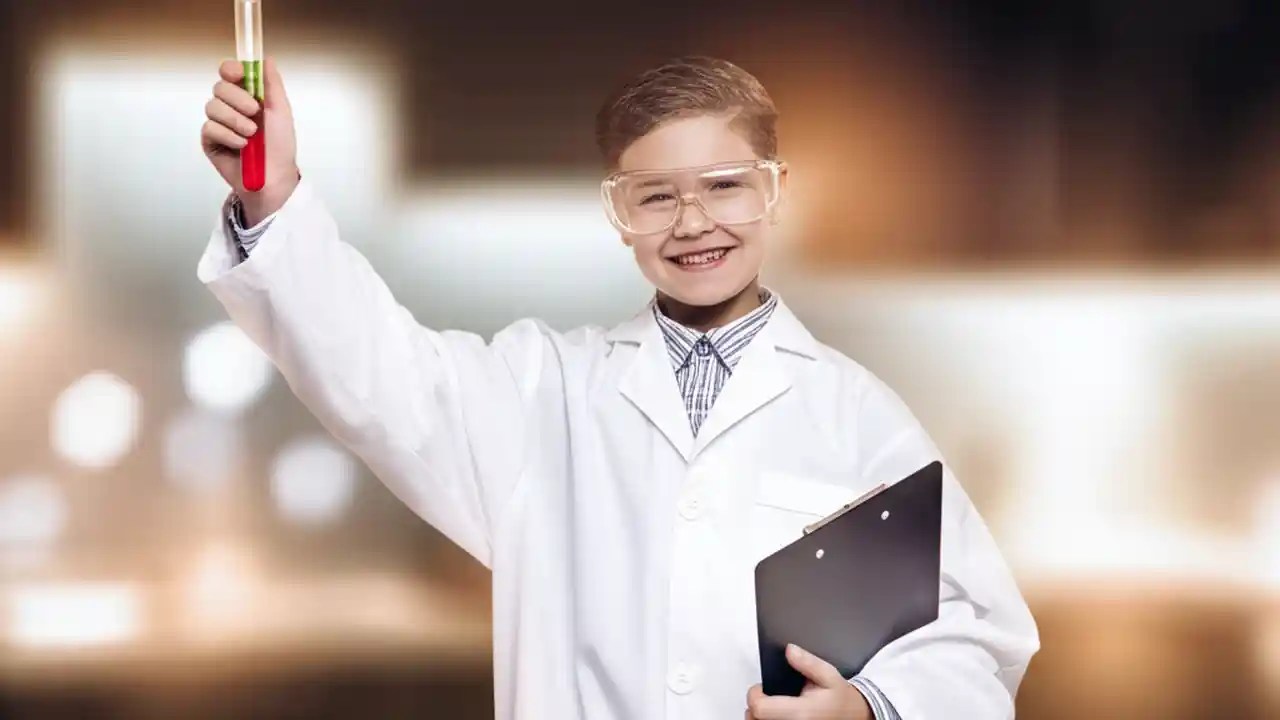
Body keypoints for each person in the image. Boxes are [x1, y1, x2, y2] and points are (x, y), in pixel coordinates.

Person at [198, 55, 1038, 720]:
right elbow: (375, 370)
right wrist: (270, 195)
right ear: (617, 214)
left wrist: (867, 706)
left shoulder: (858, 414)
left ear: (775, 190)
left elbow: (975, 633)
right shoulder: (541, 391)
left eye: (725, 187)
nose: (693, 223)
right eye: (656, 197)